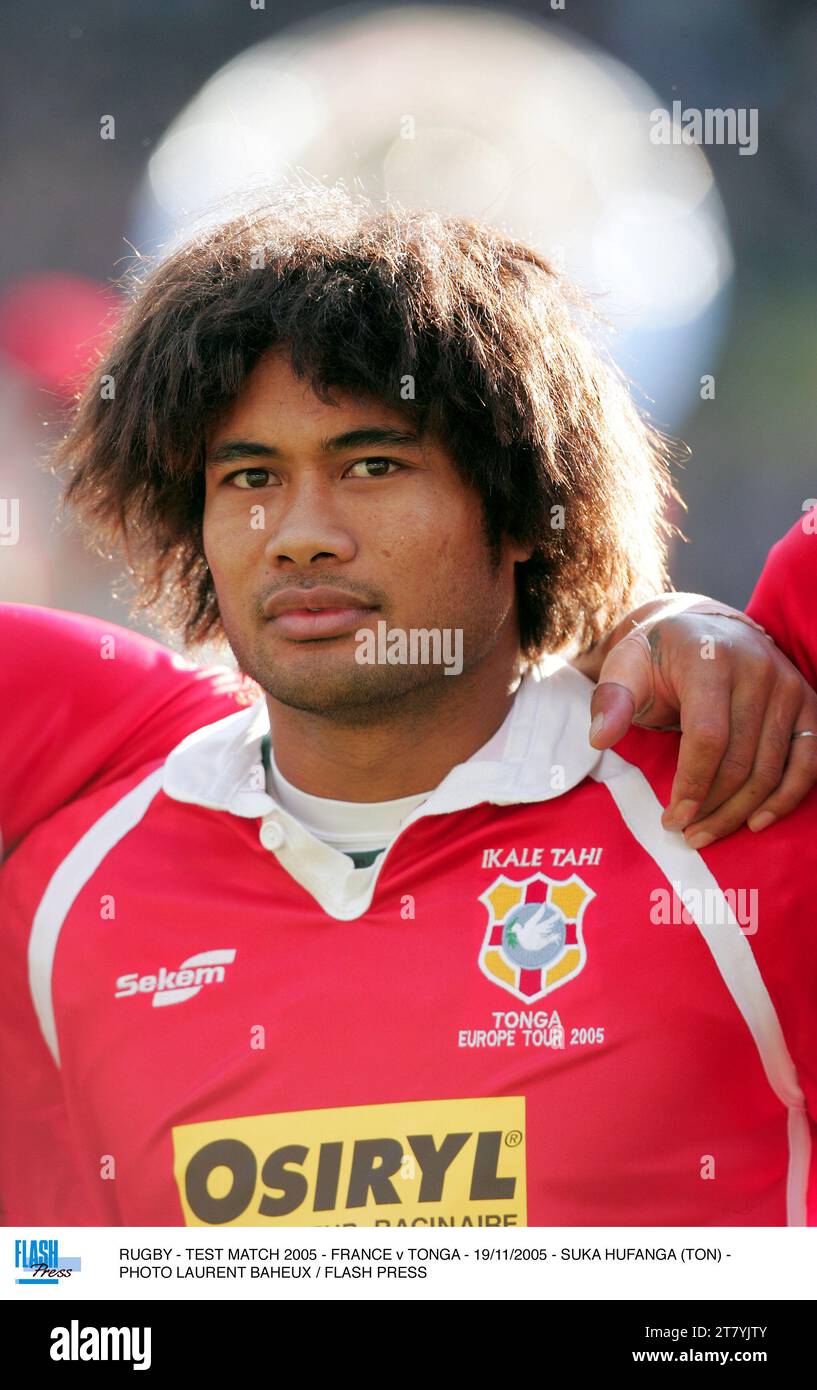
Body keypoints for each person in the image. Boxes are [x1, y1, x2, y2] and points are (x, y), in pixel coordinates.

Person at [1, 192, 815, 1227]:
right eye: (249, 475)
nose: (300, 535)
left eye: (373, 465)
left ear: (522, 507)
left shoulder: (737, 797)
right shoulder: (62, 878)